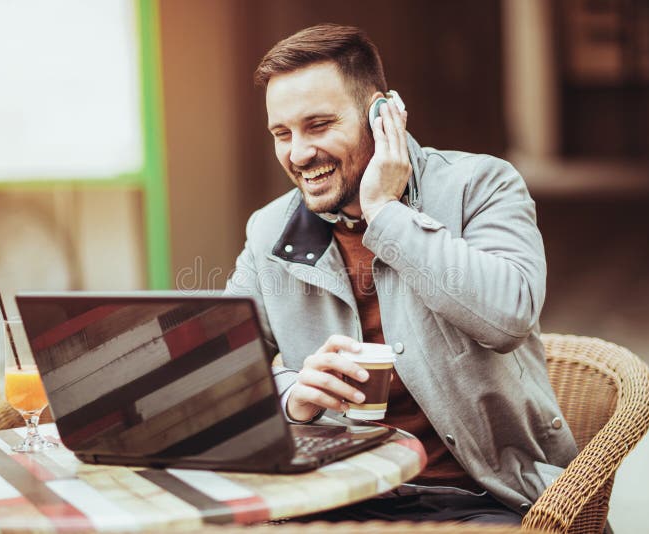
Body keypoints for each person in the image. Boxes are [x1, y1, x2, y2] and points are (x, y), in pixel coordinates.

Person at [225, 23, 577, 525]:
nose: (298, 154)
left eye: (319, 125)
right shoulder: (269, 232)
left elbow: (507, 317)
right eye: (282, 133)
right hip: (333, 497)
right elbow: (226, 375)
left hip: (482, 501)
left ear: (382, 115)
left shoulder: (482, 185)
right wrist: (291, 396)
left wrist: (385, 212)